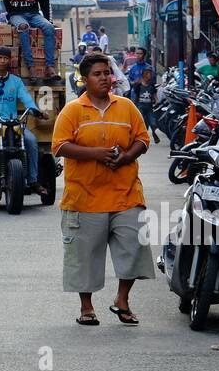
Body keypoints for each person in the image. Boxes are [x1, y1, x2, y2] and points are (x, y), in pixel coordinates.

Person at [53, 51, 154, 326]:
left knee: (133, 248)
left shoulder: (126, 107)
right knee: (84, 257)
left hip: (126, 194)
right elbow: (60, 146)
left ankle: (122, 300)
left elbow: (143, 139)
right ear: (84, 80)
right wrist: (98, 154)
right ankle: (87, 307)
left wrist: (127, 156)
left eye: (106, 73)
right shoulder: (72, 110)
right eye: (96, 74)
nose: (104, 79)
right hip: (84, 197)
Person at [0, 46, 47, 195]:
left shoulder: (16, 82)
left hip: (14, 123)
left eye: (5, 58)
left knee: (31, 140)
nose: (2, 61)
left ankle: (33, 180)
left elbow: (27, 99)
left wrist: (37, 111)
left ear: (9, 60)